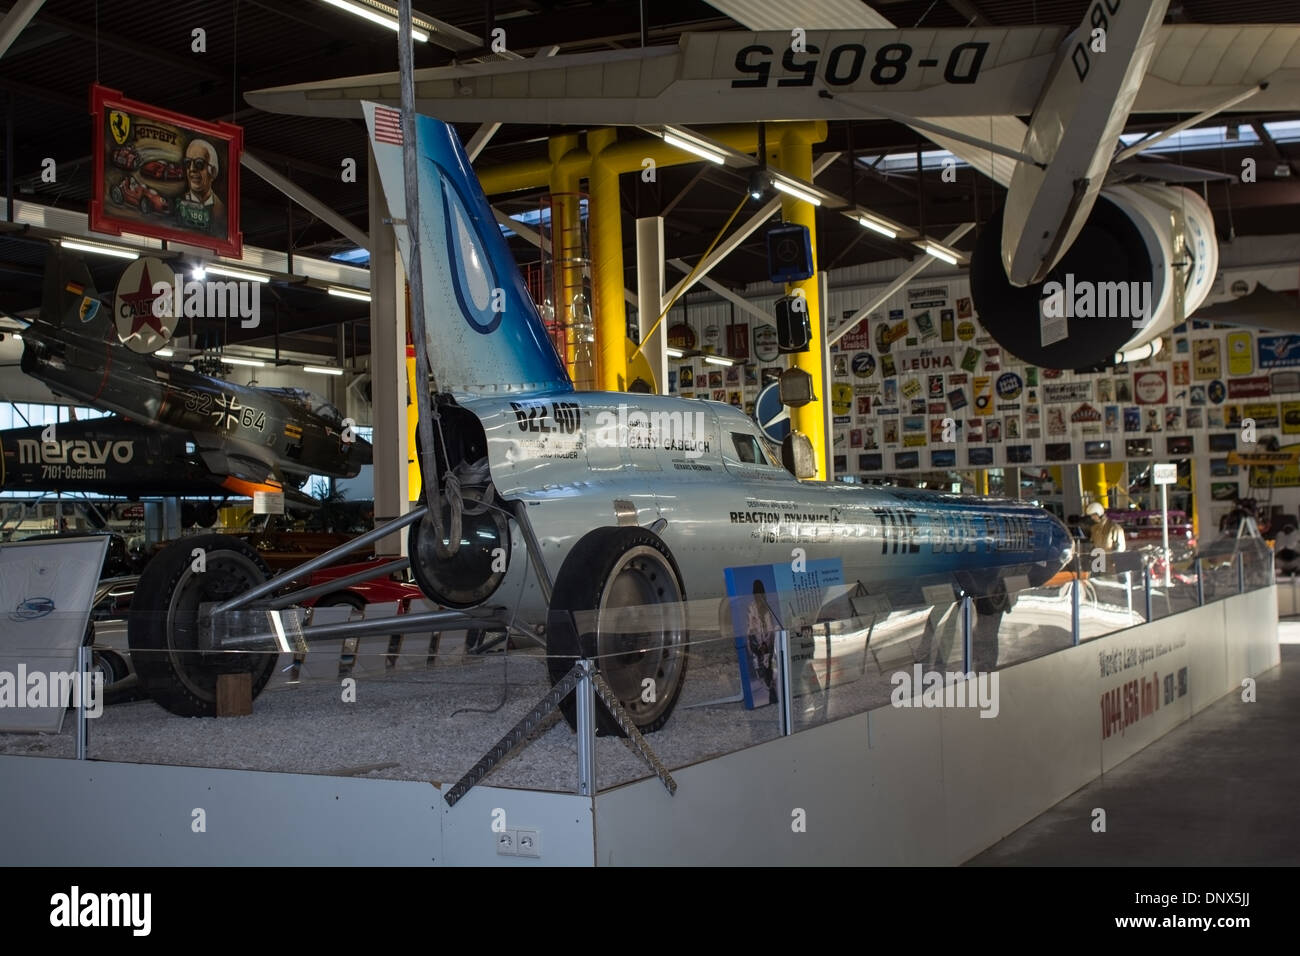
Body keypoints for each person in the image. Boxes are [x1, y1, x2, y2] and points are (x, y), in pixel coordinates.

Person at [175, 138, 227, 236]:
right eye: (188, 163)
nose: (192, 169)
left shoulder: (222, 211)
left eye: (199, 164)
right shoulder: (176, 203)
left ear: (213, 171)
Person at [745, 579, 780, 707]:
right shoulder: (752, 608)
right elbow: (751, 628)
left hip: (768, 645)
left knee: (769, 668)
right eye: (758, 593)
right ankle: (767, 695)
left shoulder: (767, 607)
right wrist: (760, 644)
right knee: (762, 669)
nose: (760, 596)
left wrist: (768, 643)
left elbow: (771, 626)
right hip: (758, 645)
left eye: (762, 593)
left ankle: (772, 693)